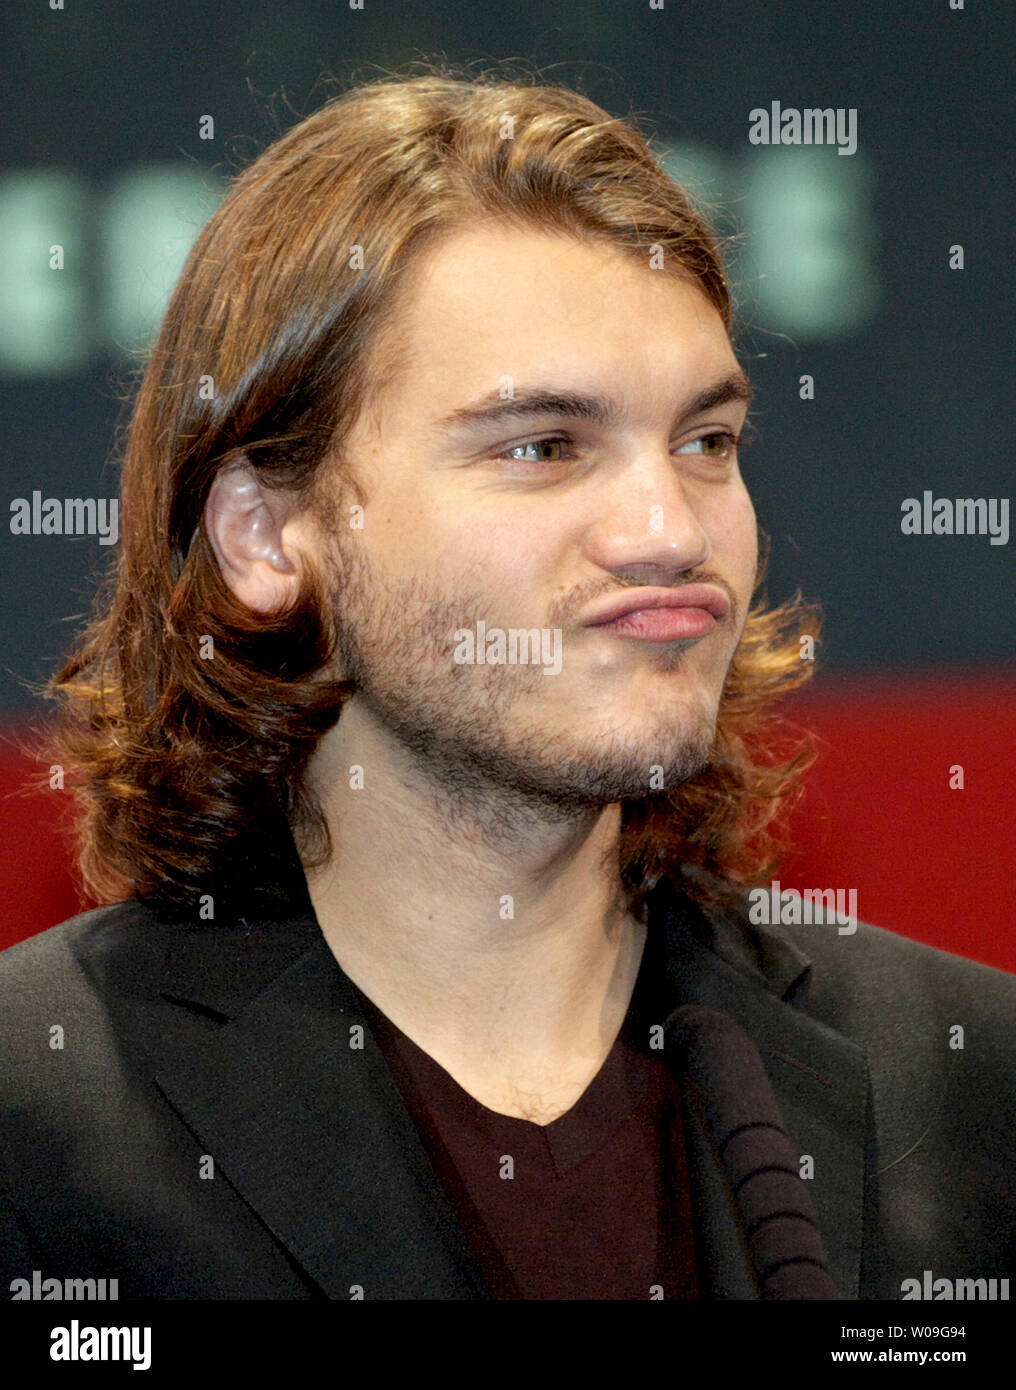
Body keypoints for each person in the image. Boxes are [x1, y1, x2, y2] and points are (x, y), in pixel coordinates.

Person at [1, 70, 1013, 1302]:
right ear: (268, 537)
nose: (666, 530)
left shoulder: (969, 1085)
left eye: (706, 442)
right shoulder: (35, 1120)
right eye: (541, 447)